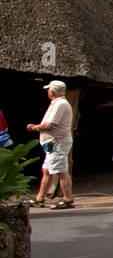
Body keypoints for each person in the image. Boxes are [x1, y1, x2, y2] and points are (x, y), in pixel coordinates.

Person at [27, 80, 75, 209]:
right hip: (52, 143)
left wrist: (35, 127)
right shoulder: (57, 103)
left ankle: (67, 199)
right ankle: (40, 198)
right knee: (47, 170)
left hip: (57, 142)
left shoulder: (60, 104)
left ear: (52, 91)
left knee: (61, 171)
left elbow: (50, 125)